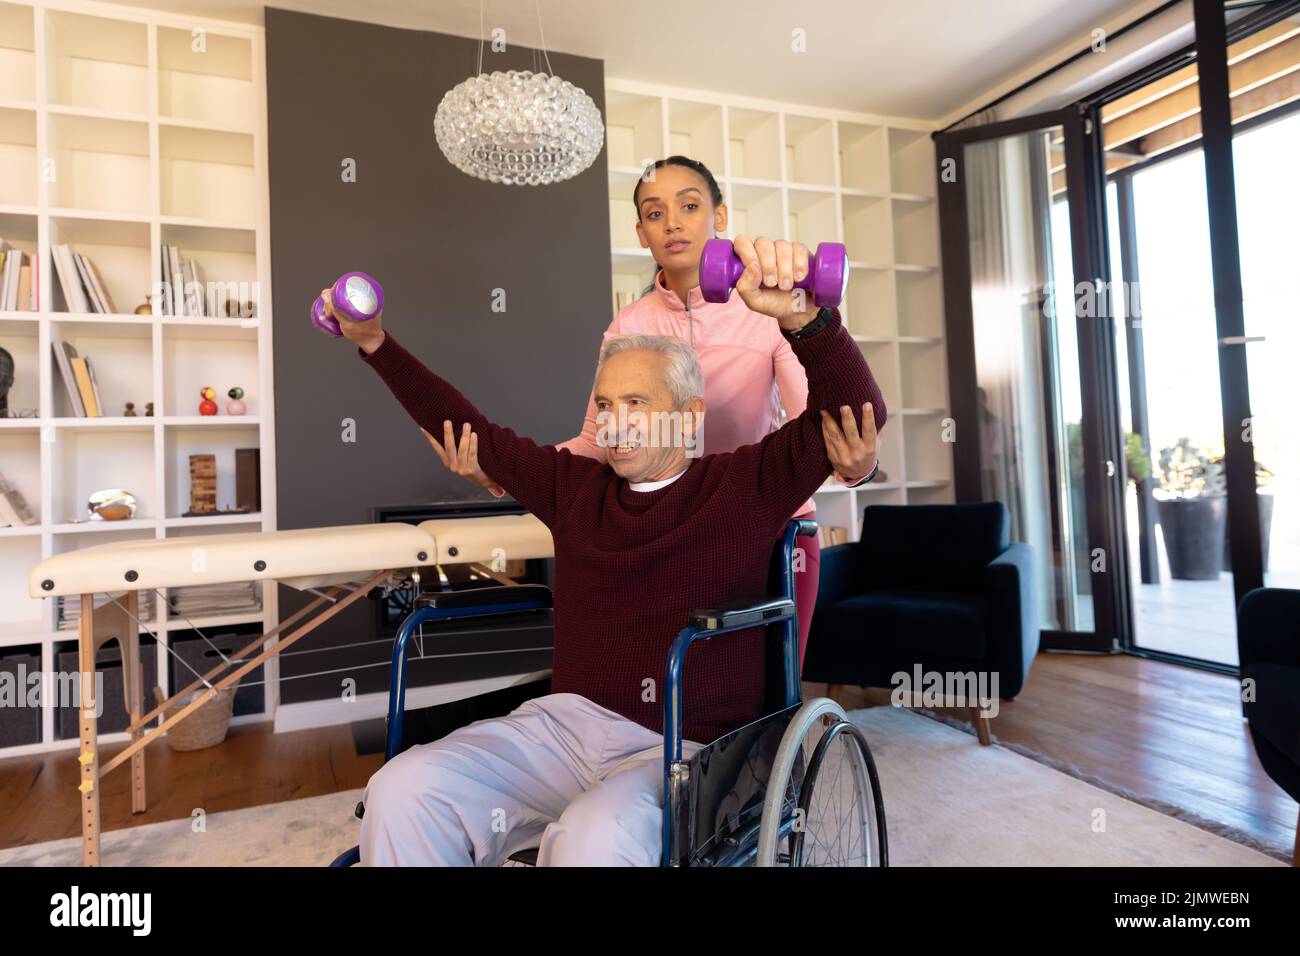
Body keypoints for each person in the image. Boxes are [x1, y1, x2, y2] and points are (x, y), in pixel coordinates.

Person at [326, 235, 886, 866]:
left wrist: (804, 320)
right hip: (563, 728)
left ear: (689, 413)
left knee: (594, 834)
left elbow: (856, 414)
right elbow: (469, 430)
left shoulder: (744, 484)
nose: (614, 423)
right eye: (605, 406)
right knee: (402, 788)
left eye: (636, 404)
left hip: (682, 747)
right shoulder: (575, 487)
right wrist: (373, 341)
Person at [424, 156, 881, 673]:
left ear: (720, 215)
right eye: (654, 212)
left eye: (689, 205)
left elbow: (821, 427)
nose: (674, 223)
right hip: (670, 531)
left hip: (770, 528)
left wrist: (857, 465)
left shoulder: (769, 308)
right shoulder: (629, 324)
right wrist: (508, 472)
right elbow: (599, 440)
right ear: (641, 233)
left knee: (769, 690)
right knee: (686, 688)